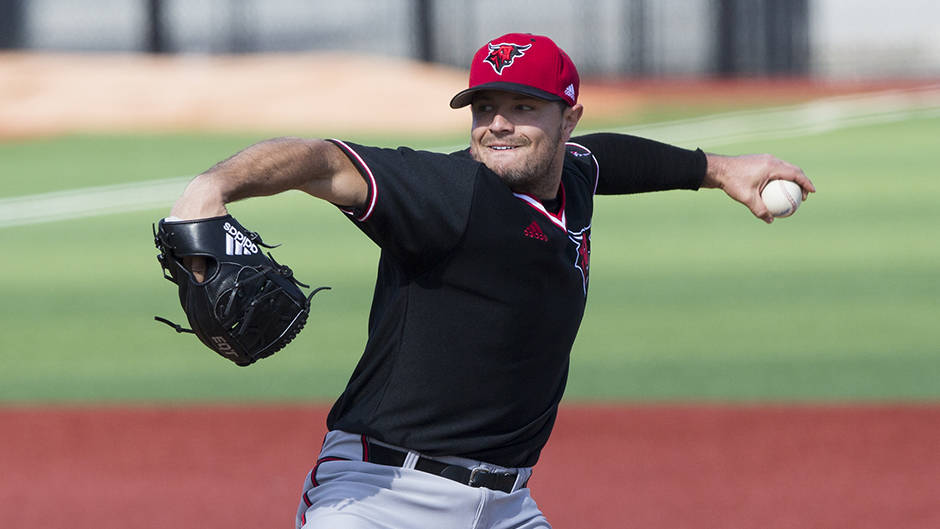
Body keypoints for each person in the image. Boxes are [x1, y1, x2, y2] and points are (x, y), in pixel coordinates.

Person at [169, 33, 814, 529]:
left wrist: (721, 169)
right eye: (484, 107)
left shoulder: (572, 179)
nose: (498, 123)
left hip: (506, 507)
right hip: (384, 500)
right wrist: (212, 187)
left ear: (569, 119)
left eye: (521, 106)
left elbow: (610, 159)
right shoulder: (451, 193)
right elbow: (323, 159)